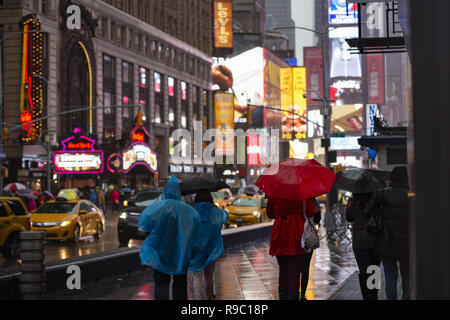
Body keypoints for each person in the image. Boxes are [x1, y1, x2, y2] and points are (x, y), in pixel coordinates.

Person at [138, 176, 201, 300]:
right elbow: (196, 231)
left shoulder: (156, 207)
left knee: (161, 283)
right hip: (181, 252)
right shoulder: (189, 210)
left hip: (161, 252)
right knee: (180, 283)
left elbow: (144, 227)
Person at [363, 166, 410, 300]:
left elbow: (367, 212)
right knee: (407, 278)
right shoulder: (412, 194)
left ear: (392, 178)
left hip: (385, 241)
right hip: (407, 243)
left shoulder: (382, 193)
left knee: (390, 277)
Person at [266, 196, 316, 300]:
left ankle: (283, 297)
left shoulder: (276, 192)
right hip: (297, 231)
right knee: (295, 271)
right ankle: (293, 297)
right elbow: (311, 212)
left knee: (283, 270)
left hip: (280, 232)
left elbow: (270, 213)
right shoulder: (302, 194)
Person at [189, 190, 229, 300]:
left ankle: (199, 298)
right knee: (209, 275)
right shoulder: (215, 211)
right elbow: (225, 216)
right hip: (211, 248)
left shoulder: (192, 212)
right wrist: (215, 207)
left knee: (197, 276)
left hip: (196, 249)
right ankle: (210, 296)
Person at [346, 193, 380, 300]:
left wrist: (350, 204)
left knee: (364, 271)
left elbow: (348, 217)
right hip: (375, 240)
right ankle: (374, 296)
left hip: (360, 242)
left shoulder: (354, 203)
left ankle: (367, 296)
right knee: (374, 269)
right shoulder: (377, 201)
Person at [299, 197, 322, 300]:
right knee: (305, 267)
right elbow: (317, 218)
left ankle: (293, 292)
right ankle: (302, 294)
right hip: (307, 235)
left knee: (292, 267)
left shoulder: (288, 196)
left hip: (292, 233)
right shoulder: (310, 198)